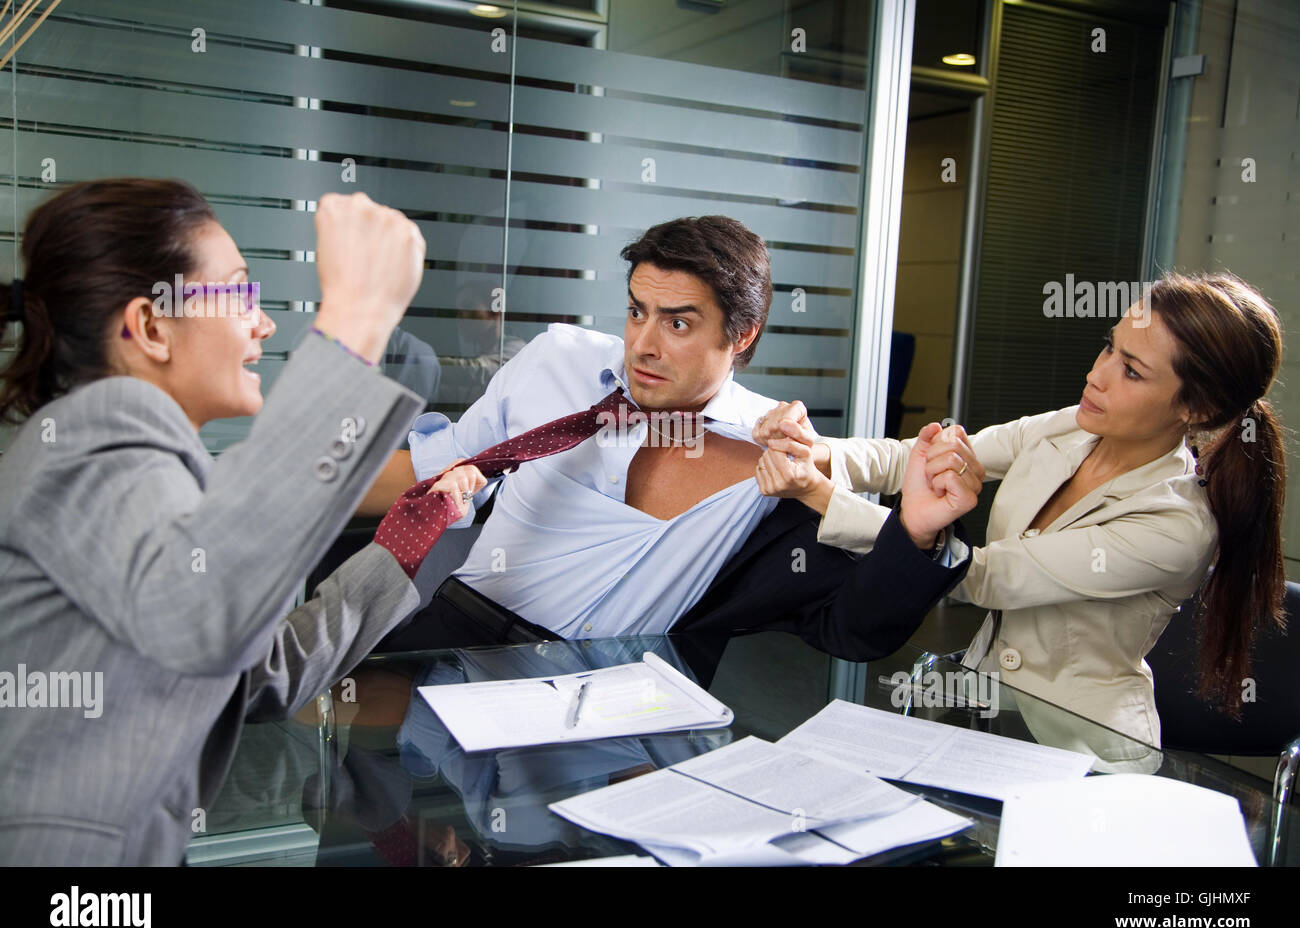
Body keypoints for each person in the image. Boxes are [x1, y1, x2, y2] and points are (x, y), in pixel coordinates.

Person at [0, 179, 477, 865]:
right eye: (238, 294)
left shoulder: (130, 459)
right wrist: (358, 317)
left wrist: (406, 541)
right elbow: (209, 618)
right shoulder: (93, 447)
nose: (264, 323)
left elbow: (259, 672)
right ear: (151, 328)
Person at [366, 215, 979, 682]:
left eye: (678, 323)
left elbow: (852, 628)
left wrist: (917, 529)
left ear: (742, 335)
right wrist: (308, 497)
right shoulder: (554, 362)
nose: (642, 345)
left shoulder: (768, 455)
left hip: (608, 697)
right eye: (638, 312)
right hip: (453, 636)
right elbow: (433, 474)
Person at [753, 272, 1287, 770]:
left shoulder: (1175, 525)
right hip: (981, 713)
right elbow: (919, 455)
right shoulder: (1071, 427)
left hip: (1084, 753)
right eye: (1109, 347)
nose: (1095, 375)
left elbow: (985, 577)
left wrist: (820, 495)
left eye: (1131, 370)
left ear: (1197, 408)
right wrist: (816, 450)